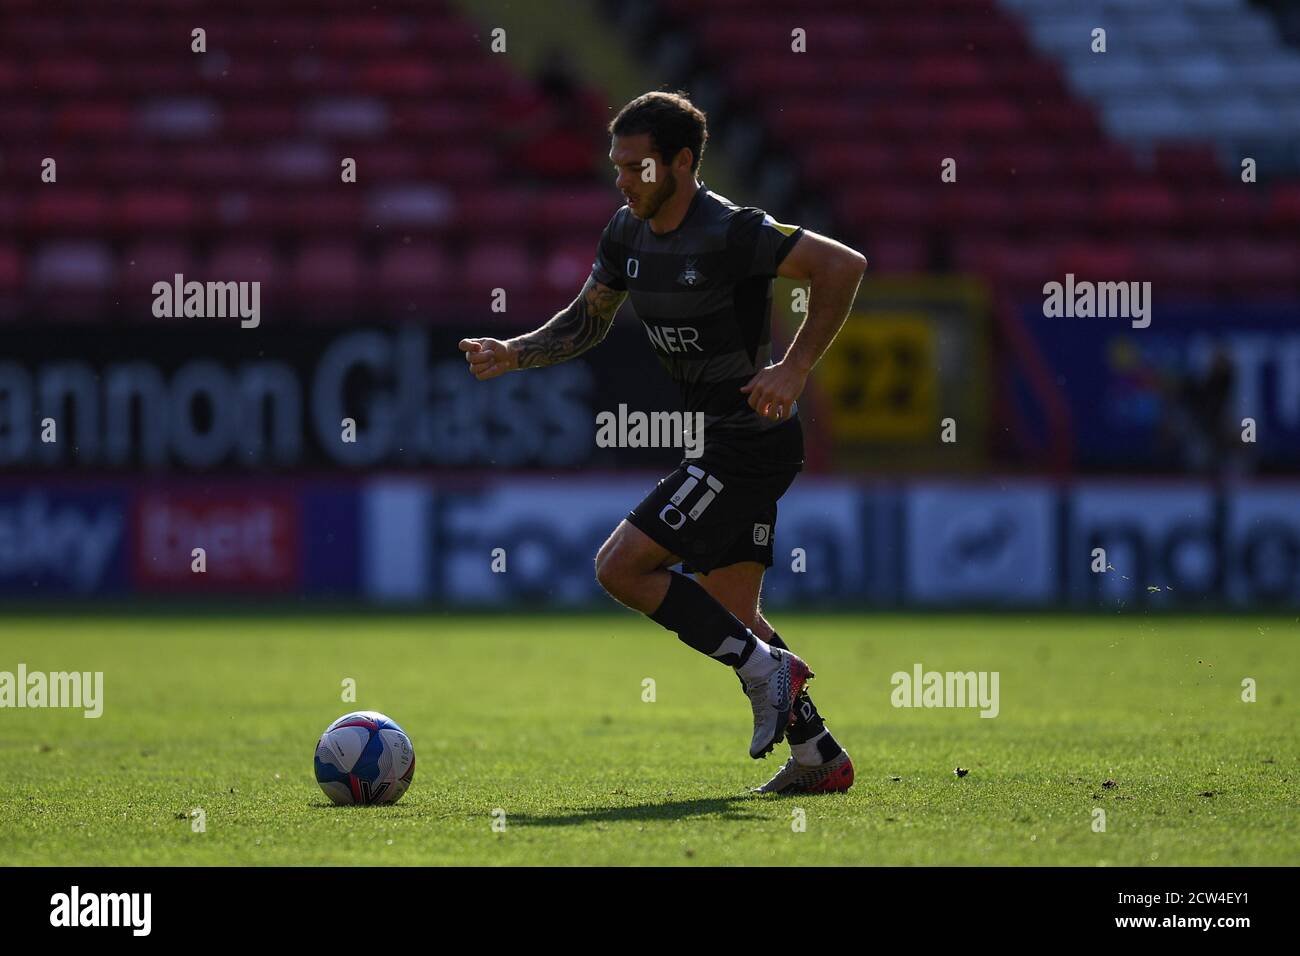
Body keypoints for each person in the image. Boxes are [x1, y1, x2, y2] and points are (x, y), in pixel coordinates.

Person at [460, 91, 866, 793]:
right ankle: (819, 757)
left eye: (635, 166)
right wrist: (514, 353)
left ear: (681, 163)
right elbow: (586, 321)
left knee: (621, 568)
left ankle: (766, 673)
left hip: (751, 442)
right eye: (617, 165)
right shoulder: (625, 234)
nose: (621, 179)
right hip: (722, 441)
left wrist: (794, 367)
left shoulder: (734, 231)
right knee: (735, 616)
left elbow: (843, 266)